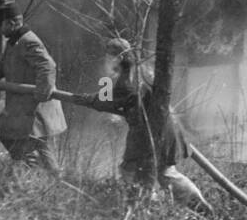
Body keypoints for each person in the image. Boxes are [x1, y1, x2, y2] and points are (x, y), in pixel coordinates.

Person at [70, 39, 208, 210]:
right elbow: (111, 97)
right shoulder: (141, 70)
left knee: (132, 171)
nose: (107, 59)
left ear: (116, 57)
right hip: (166, 124)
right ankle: (196, 206)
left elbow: (108, 100)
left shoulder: (128, 76)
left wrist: (86, 99)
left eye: (109, 56)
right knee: (166, 172)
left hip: (150, 129)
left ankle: (147, 207)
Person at [0, 3, 66, 174]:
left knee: (29, 139)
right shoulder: (14, 42)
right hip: (24, 104)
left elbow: (47, 65)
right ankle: (48, 175)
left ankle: (35, 172)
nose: (0, 30)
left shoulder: (28, 41)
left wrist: (42, 92)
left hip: (36, 105)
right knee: (33, 141)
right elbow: (1, 68)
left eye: (1, 25)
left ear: (12, 23)